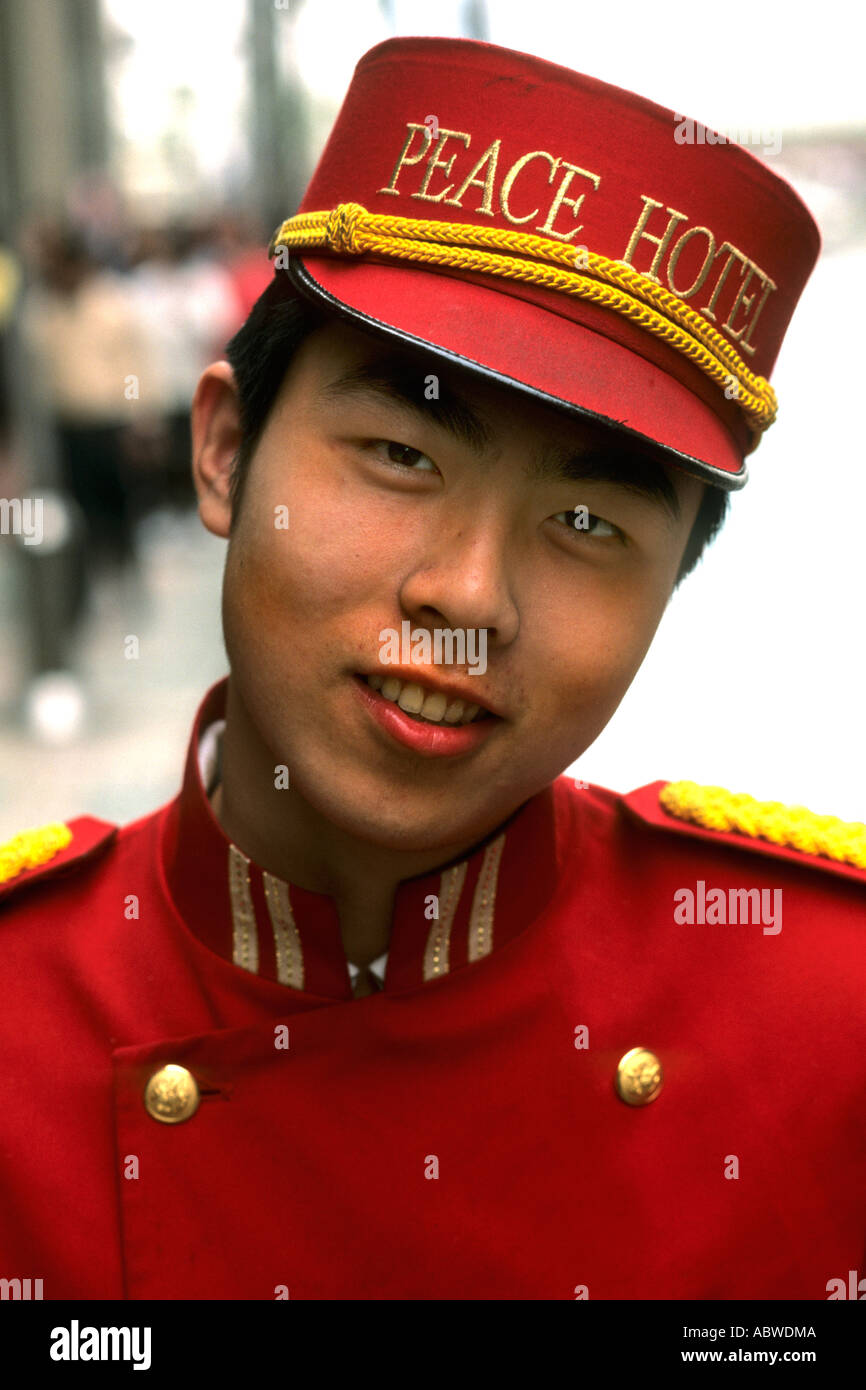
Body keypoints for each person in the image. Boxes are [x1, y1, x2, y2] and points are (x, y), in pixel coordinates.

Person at [1, 36, 863, 1302]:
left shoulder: (823, 1014)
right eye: (402, 455)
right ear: (226, 454)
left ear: (671, 589)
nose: (466, 595)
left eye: (588, 525)